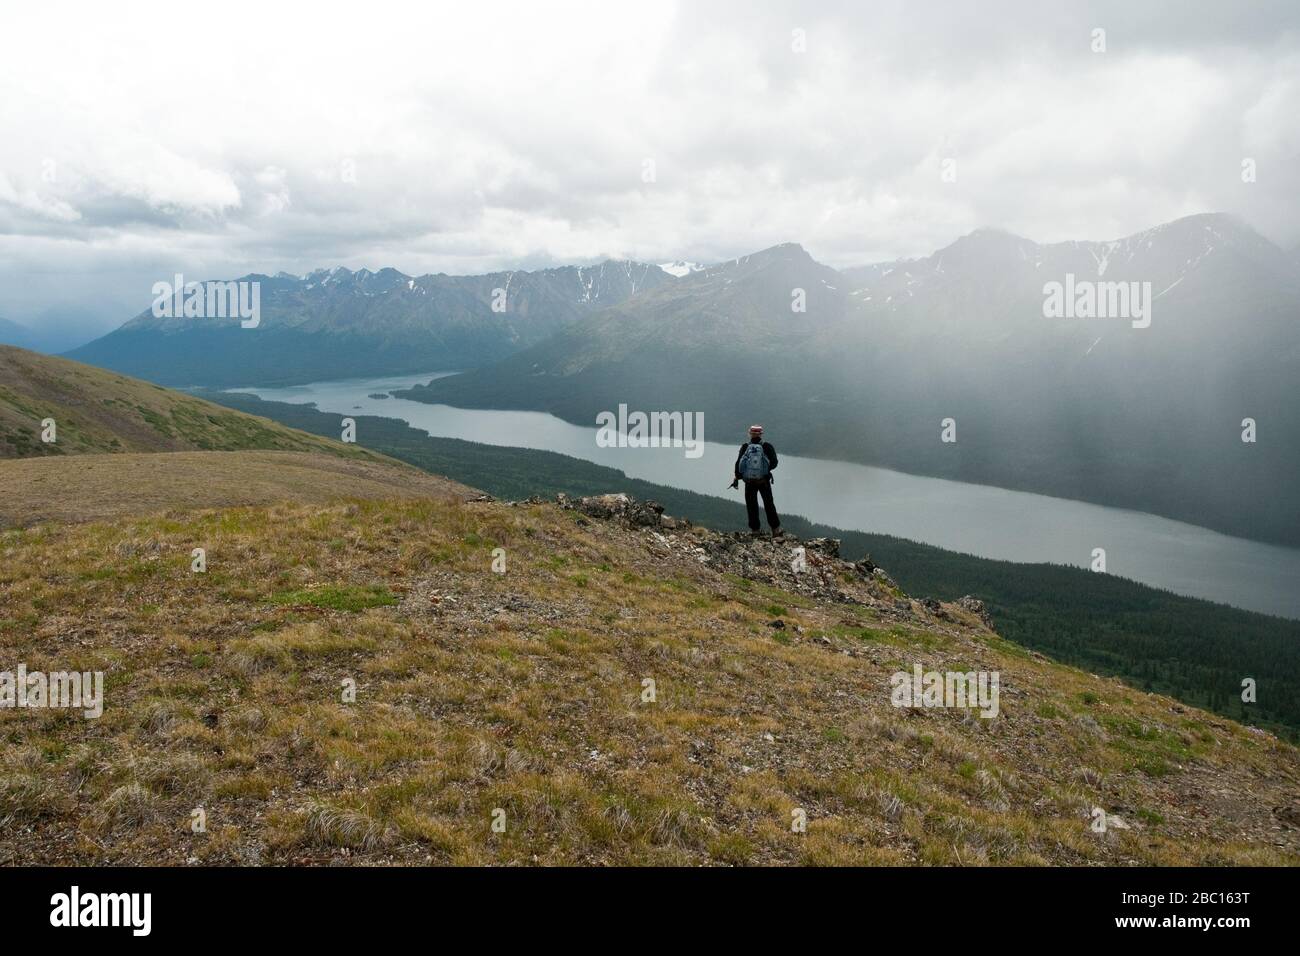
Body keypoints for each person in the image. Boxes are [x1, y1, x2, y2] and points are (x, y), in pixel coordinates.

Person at [730, 424, 782, 538]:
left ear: (750, 434)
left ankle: (755, 530)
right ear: (761, 434)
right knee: (769, 504)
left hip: (749, 482)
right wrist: (765, 470)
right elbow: (774, 462)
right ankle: (775, 530)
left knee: (751, 505)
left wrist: (738, 477)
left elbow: (738, 464)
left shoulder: (745, 447)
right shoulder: (767, 446)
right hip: (763, 481)